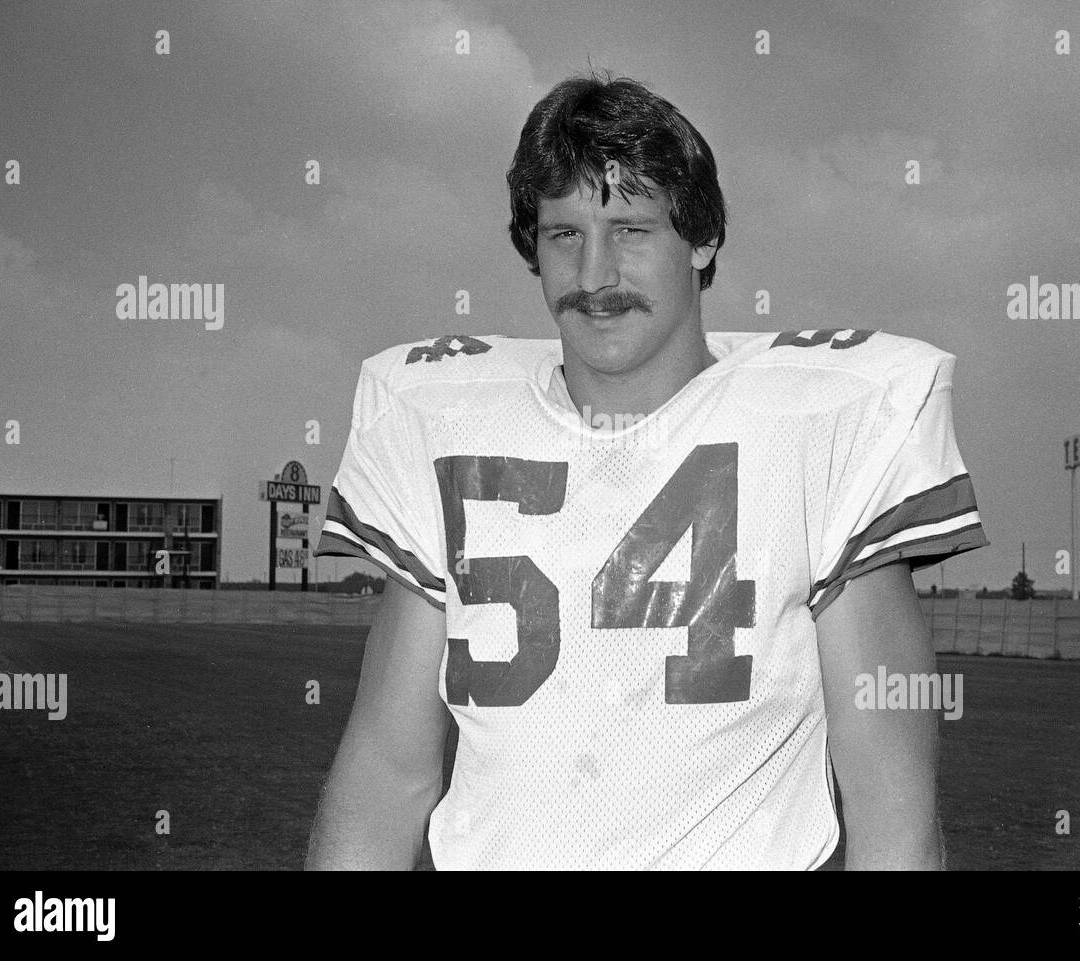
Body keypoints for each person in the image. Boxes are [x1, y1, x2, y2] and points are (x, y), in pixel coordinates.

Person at [307, 72, 988, 870]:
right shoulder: (446, 420)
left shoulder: (824, 425)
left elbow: (889, 799)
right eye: (564, 234)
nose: (594, 274)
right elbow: (388, 772)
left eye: (629, 229)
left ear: (701, 240)